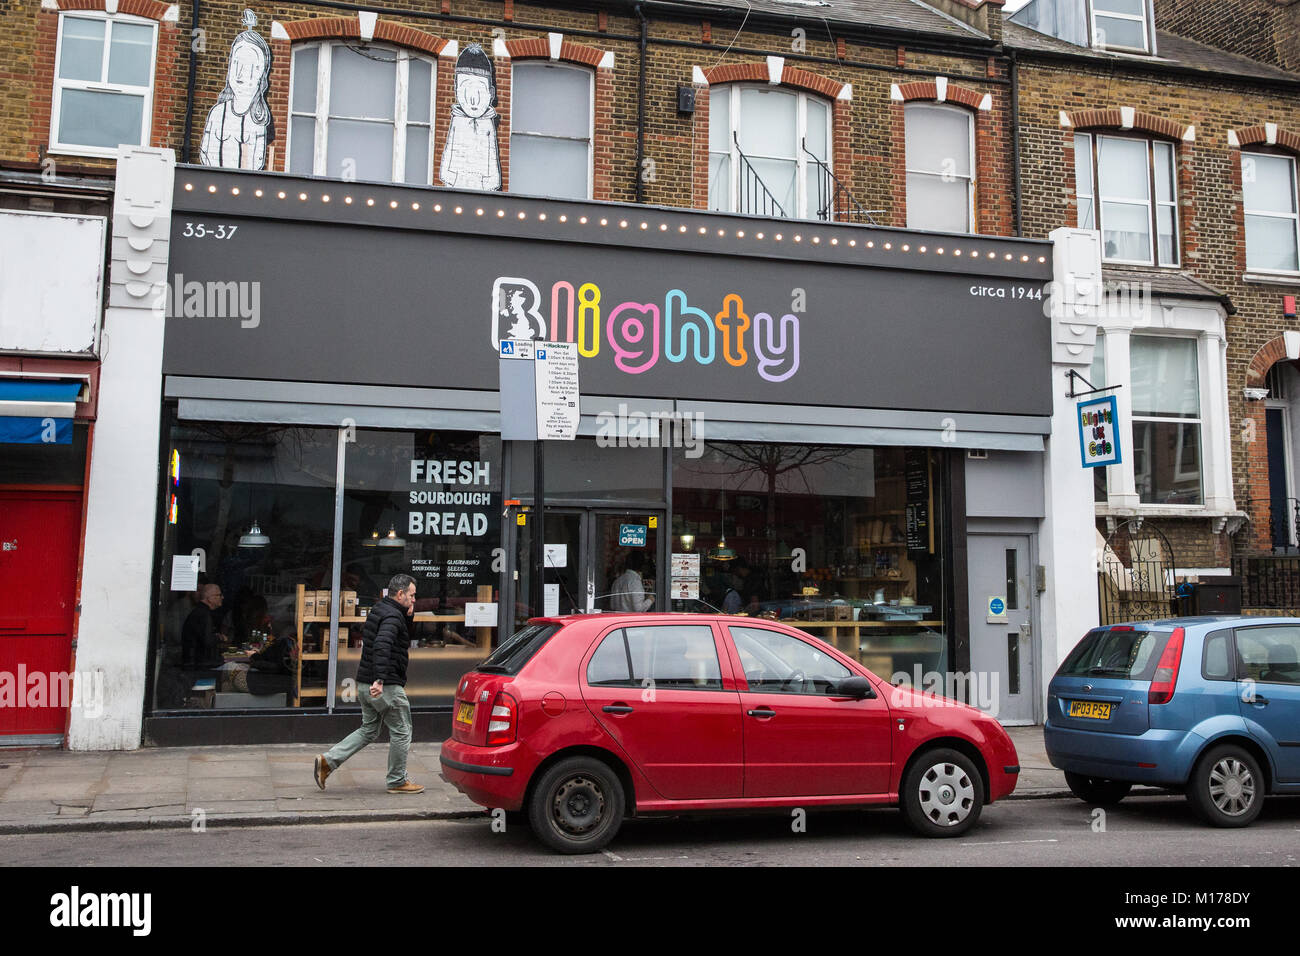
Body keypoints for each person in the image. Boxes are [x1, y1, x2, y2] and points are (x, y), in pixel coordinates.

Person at [314, 574, 424, 794]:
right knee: (402, 731)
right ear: (400, 594)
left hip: (364, 682)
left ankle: (328, 761)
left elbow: (393, 638)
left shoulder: (381, 609)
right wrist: (381, 680)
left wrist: (408, 616)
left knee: (369, 730)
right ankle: (397, 780)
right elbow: (383, 646)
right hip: (385, 685)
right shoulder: (393, 617)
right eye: (411, 596)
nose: (414, 600)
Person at [199, 10, 273, 170]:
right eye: (236, 63)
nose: (240, 74)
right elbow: (206, 154)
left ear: (261, 73)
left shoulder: (258, 120)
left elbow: (257, 162)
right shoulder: (217, 113)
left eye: (249, 67)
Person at [182, 583, 225, 669]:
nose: (222, 597)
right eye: (219, 595)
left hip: (194, 662)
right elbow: (207, 640)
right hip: (196, 665)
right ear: (210, 598)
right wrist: (220, 638)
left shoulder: (201, 611)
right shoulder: (203, 614)